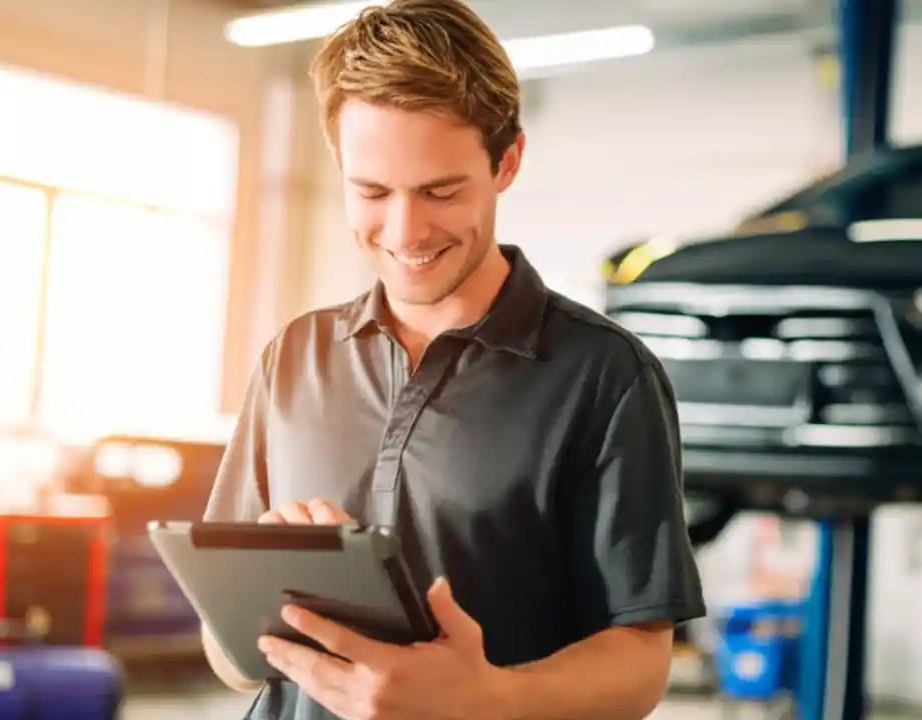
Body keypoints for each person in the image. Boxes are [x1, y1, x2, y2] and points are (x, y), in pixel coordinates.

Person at [200, 0, 706, 717]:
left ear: (508, 162)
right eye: (372, 191)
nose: (406, 231)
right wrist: (262, 599)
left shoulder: (605, 375)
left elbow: (641, 663)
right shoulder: (295, 356)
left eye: (440, 191)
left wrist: (486, 697)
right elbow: (228, 659)